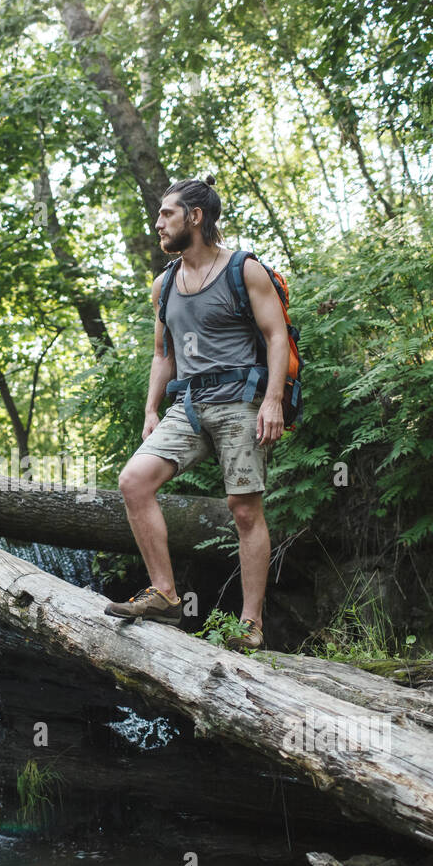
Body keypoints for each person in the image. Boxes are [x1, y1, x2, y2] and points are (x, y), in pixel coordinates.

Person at [104, 176, 290, 651]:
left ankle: (250, 624)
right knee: (134, 481)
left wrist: (271, 400)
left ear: (196, 217)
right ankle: (165, 594)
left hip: (240, 400)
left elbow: (275, 337)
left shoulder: (244, 270)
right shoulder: (163, 285)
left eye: (167, 214)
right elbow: (162, 353)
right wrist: (151, 408)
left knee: (244, 509)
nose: (158, 223)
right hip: (188, 405)